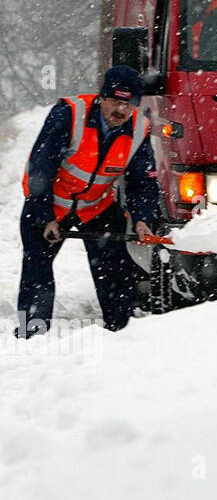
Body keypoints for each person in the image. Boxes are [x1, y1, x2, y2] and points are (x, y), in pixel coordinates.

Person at [14, 66, 162, 338]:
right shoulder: (69, 114)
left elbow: (143, 181)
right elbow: (40, 170)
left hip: (97, 207)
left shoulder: (139, 128)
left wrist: (142, 219)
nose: (121, 110)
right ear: (101, 97)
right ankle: (32, 336)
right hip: (50, 205)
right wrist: (45, 217)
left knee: (115, 270)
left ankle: (122, 333)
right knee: (37, 272)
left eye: (128, 104)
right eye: (116, 101)